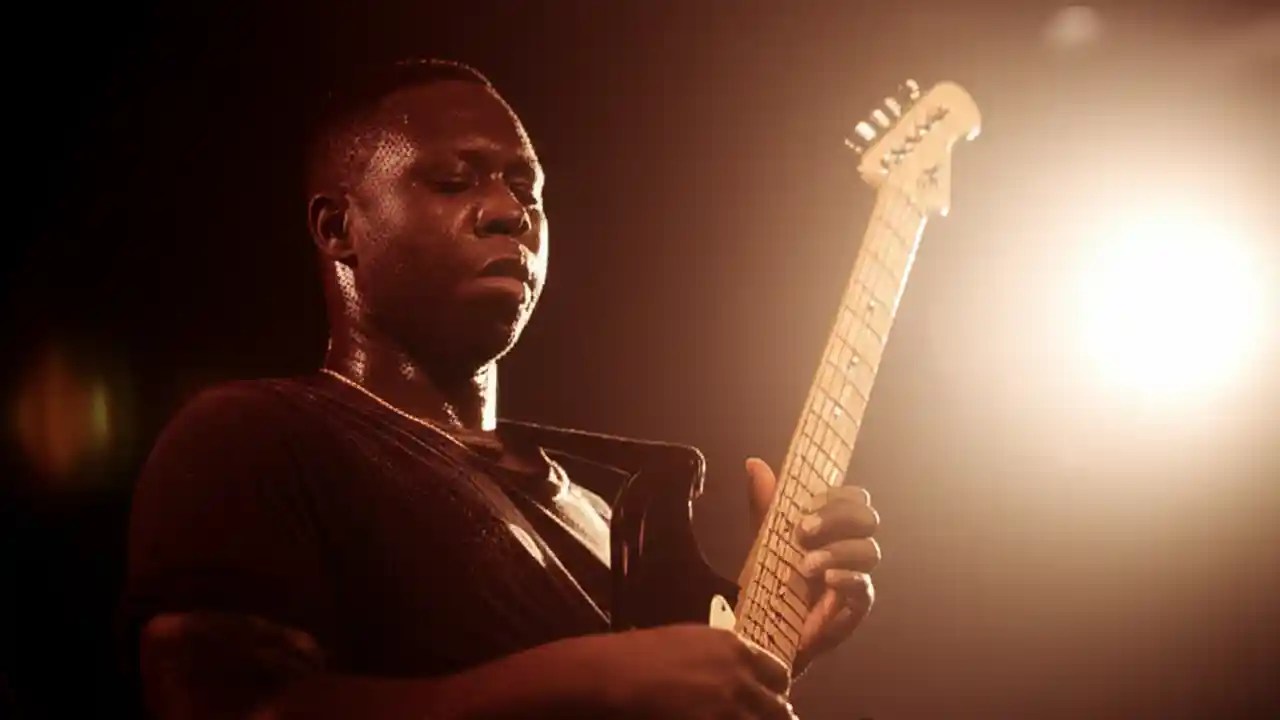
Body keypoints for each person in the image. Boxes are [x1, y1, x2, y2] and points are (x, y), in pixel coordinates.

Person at [122, 59, 882, 720]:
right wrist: (584, 682)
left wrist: (773, 645)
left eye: (529, 190)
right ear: (336, 229)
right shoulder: (250, 435)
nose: (509, 212)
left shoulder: (598, 516)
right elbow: (226, 708)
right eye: (454, 181)